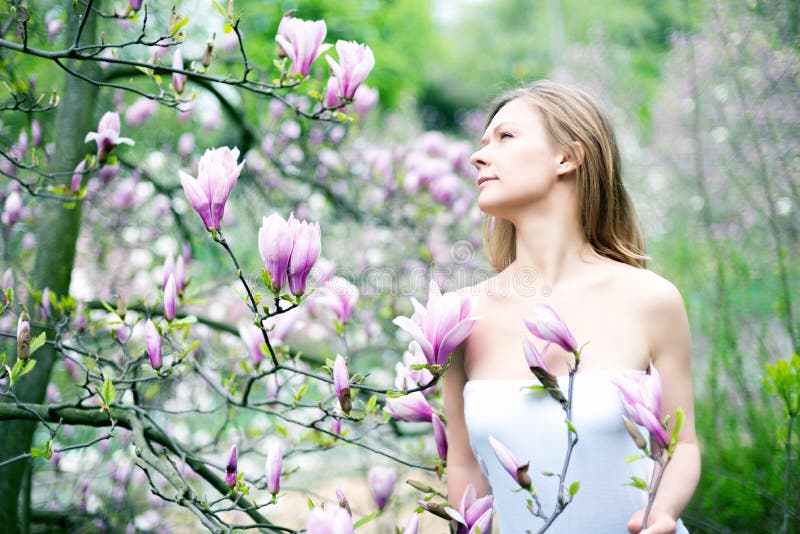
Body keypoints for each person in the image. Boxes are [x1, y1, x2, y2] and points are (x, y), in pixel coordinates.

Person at [443, 80, 700, 533]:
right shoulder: (459, 318)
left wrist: (662, 512)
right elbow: (464, 471)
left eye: (505, 137)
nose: (477, 156)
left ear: (567, 157)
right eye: (483, 143)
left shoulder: (650, 299)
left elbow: (681, 446)